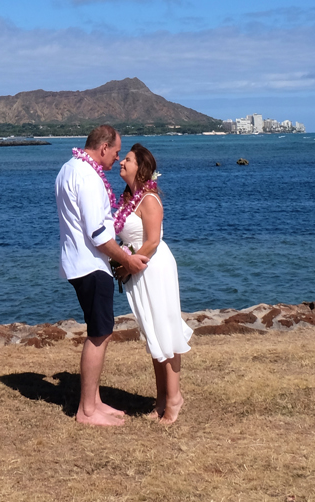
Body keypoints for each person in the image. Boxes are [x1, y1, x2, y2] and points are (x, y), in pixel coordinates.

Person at [55, 124, 148, 427]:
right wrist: (128, 260)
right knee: (99, 334)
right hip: (90, 265)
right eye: (117, 153)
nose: (116, 160)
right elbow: (98, 234)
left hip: (79, 263)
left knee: (101, 330)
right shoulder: (89, 177)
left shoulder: (68, 169)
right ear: (103, 147)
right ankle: (87, 410)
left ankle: (94, 401)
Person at [114, 141, 192, 423]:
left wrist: (126, 266)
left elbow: (153, 240)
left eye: (128, 160)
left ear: (142, 168)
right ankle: (160, 400)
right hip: (138, 269)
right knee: (153, 332)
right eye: (123, 159)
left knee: (165, 330)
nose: (122, 162)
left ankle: (174, 400)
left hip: (153, 267)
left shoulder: (149, 199)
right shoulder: (127, 199)